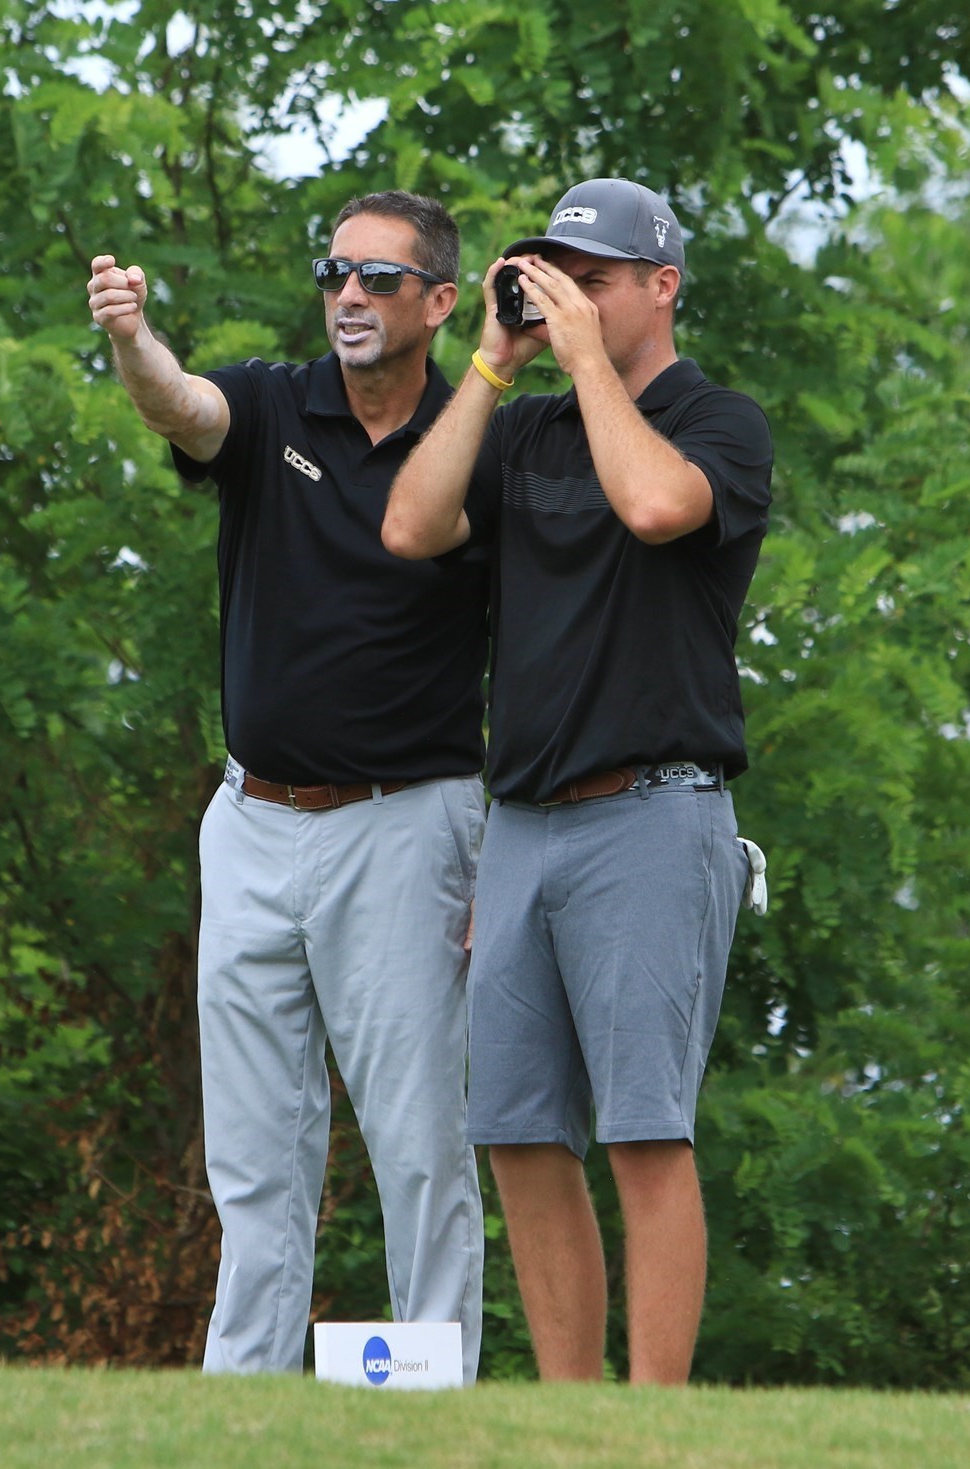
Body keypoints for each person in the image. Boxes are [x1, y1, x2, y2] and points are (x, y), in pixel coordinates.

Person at [86, 192, 490, 1379]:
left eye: (376, 277)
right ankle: (244, 1403)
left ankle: (434, 1398)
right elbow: (185, 404)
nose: (349, 296)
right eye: (335, 274)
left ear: (438, 302)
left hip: (406, 824)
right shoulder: (275, 403)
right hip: (252, 820)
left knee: (418, 1145)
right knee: (255, 1152)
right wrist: (130, 339)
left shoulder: (480, 437)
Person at [383, 177, 774, 1384]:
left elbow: (656, 504)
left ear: (661, 287)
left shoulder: (720, 423)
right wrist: (494, 361)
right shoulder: (526, 424)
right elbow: (410, 523)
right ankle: (571, 1417)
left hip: (653, 812)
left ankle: (652, 1425)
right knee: (514, 1131)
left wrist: (590, 362)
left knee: (644, 1133)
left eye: (593, 281)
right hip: (523, 823)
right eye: (557, 279)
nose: (571, 302)